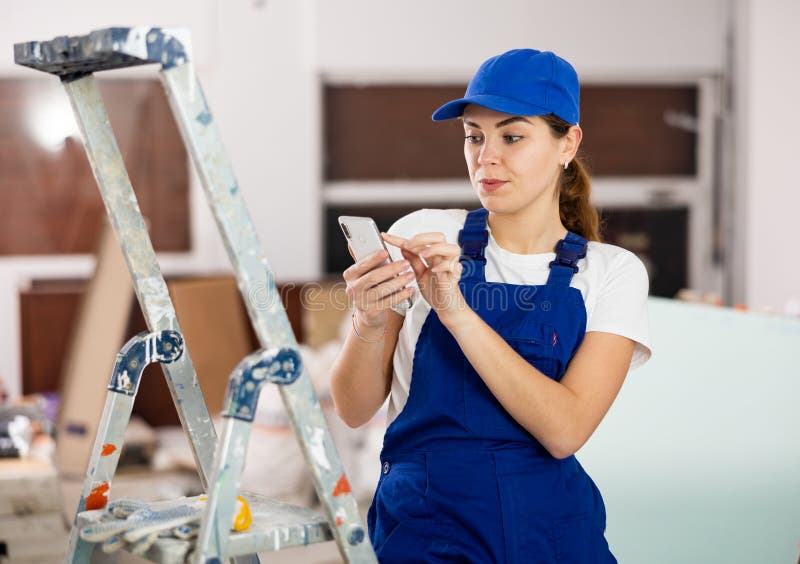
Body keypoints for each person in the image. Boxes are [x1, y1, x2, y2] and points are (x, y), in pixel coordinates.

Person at [330, 48, 651, 563]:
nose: (486, 157)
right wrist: (367, 320)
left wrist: (456, 312)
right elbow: (353, 408)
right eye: (474, 136)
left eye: (512, 136)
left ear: (568, 142)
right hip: (426, 530)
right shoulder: (423, 234)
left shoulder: (611, 272)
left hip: (552, 535)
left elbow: (564, 430)